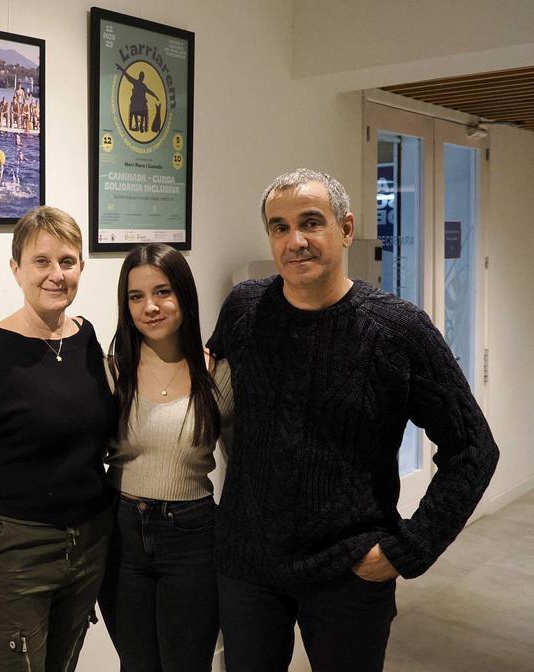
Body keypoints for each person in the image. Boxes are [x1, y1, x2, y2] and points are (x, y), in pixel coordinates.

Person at [208, 168, 499, 672]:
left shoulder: (397, 330)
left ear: (345, 229)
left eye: (311, 223)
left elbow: (473, 449)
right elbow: (213, 375)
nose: (295, 241)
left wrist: (409, 547)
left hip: (348, 570)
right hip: (248, 564)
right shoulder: (244, 309)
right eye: (279, 227)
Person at [0, 206, 113, 672]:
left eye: (68, 261)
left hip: (89, 545)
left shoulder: (87, 341)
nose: (56, 274)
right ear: (16, 268)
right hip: (16, 552)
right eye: (41, 261)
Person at [97, 244, 233, 672]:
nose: (150, 307)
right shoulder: (110, 371)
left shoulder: (218, 375)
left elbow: (248, 464)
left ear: (184, 297)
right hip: (122, 536)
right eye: (136, 297)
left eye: (162, 292)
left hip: (192, 538)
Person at [115, 66, 159, 133]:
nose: (142, 78)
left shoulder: (143, 86)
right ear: (139, 76)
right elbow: (128, 77)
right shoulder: (136, 82)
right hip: (136, 105)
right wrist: (122, 69)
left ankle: (141, 126)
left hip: (141, 105)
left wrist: (155, 96)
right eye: (141, 76)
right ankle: (138, 126)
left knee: (141, 109)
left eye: (143, 77)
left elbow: (149, 91)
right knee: (136, 108)